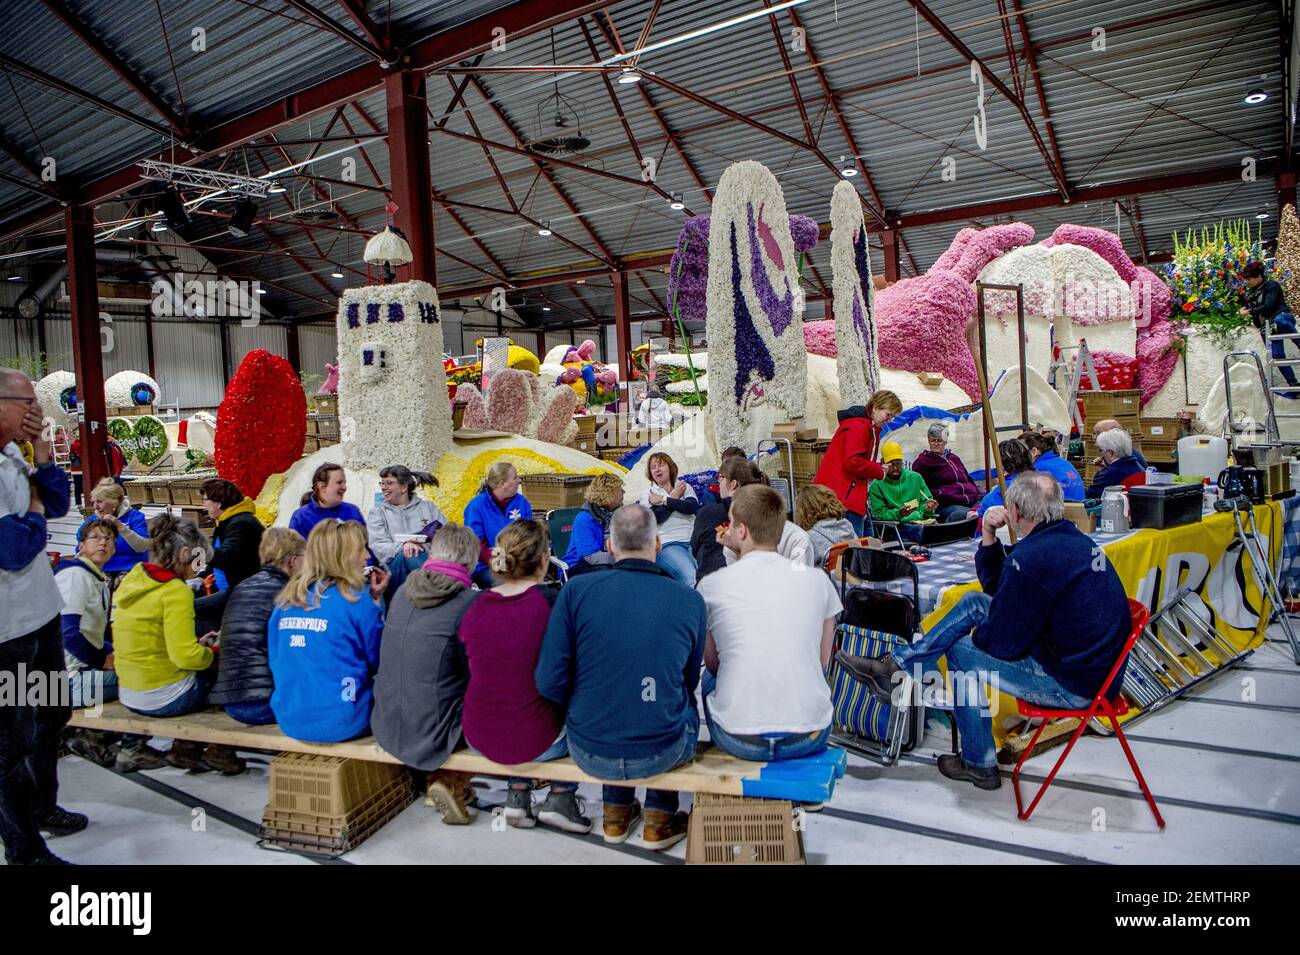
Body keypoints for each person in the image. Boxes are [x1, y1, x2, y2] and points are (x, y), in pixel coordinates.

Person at [835, 473, 1132, 790]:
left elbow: (1002, 644)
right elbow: (1001, 590)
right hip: (1095, 672)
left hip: (1074, 685)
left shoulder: (1033, 558)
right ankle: (897, 666)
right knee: (975, 602)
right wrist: (988, 535)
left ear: (1015, 511)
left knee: (960, 649)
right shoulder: (1069, 541)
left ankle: (978, 763)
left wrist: (974, 637)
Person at [536, 504, 706, 850]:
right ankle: (659, 817)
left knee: (612, 688)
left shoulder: (575, 592)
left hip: (590, 747)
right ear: (658, 545)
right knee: (675, 699)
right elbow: (687, 681)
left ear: (610, 546)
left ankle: (616, 813)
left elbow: (549, 680)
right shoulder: (688, 600)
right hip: (662, 747)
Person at [458, 520, 591, 834]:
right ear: (544, 559)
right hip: (536, 740)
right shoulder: (552, 604)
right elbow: (565, 677)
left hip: (479, 734)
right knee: (573, 696)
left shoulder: (476, 606)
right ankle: (560, 796)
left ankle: (517, 794)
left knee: (513, 686)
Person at [0, 368, 79, 865]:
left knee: (51, 716)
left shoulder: (13, 453)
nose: (37, 411)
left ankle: (43, 805)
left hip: (41, 617)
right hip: (7, 634)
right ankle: (24, 848)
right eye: (26, 401)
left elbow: (56, 502)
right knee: (11, 740)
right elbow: (12, 548)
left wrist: (44, 456)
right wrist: (32, 512)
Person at [697, 485, 837, 762]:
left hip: (739, 738)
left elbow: (712, 661)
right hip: (809, 735)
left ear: (742, 531)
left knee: (709, 678)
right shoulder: (817, 581)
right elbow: (822, 662)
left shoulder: (711, 586)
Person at [112, 513, 245, 775]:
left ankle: (181, 751)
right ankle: (219, 752)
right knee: (227, 680)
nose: (200, 567)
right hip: (162, 696)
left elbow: (157, 639)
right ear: (185, 553)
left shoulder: (135, 578)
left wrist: (197, 644)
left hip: (129, 690)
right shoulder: (176, 592)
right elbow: (186, 658)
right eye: (199, 560)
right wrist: (212, 653)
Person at [372, 524, 480, 825]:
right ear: (469, 562)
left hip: (386, 720)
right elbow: (475, 675)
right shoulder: (468, 604)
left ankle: (444, 782)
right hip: (433, 731)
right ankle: (451, 781)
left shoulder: (403, 591)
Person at [56, 518, 169, 773]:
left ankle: (92, 733)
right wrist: (102, 659)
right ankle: (132, 748)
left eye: (108, 538)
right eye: (95, 537)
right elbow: (68, 633)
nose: (103, 542)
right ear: (81, 545)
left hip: (79, 672)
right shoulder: (75, 577)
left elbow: (91, 634)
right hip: (67, 680)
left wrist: (112, 651)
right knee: (144, 680)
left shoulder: (96, 578)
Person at [268, 519, 388, 743]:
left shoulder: (286, 601)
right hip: (346, 720)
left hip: (291, 716)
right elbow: (380, 661)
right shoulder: (357, 601)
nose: (366, 556)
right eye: (361, 549)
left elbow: (275, 657)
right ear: (343, 555)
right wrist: (376, 605)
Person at [208, 528, 306, 726]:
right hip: (266, 703)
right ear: (293, 561)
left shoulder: (242, 587)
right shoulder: (290, 594)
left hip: (231, 701)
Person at [814, 389, 904, 536]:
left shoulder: (863, 426)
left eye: (893, 417)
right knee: (853, 548)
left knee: (864, 542)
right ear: (876, 407)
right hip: (844, 496)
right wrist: (878, 471)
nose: (890, 421)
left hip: (846, 494)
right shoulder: (859, 426)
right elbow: (853, 462)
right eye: (888, 415)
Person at [194, 478, 265, 634]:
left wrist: (197, 545)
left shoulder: (240, 524)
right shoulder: (226, 521)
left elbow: (227, 558)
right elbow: (217, 556)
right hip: (226, 585)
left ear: (218, 503)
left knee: (192, 610)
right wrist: (201, 575)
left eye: (205, 500)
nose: (202, 505)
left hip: (244, 592)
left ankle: (213, 645)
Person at [367, 465, 447, 590]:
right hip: (393, 569)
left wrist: (421, 547)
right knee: (410, 555)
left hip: (428, 560)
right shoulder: (377, 513)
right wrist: (404, 546)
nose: (383, 487)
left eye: (389, 483)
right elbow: (377, 545)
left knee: (416, 555)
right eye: (382, 483)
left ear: (404, 487)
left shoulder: (428, 507)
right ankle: (439, 589)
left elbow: (446, 536)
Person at [462, 461, 532, 589]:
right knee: (510, 585)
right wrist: (499, 563)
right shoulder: (476, 506)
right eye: (515, 477)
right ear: (502, 484)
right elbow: (476, 544)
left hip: (517, 563)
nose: (519, 480)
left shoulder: (522, 502)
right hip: (486, 565)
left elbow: (530, 536)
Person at [692, 456, 764, 581]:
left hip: (713, 584)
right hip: (752, 581)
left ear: (733, 484)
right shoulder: (763, 512)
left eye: (721, 477)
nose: (718, 483)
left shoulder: (709, 513)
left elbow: (694, 547)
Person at [637, 452, 699, 586]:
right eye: (653, 467)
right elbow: (656, 517)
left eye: (661, 465)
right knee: (692, 578)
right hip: (668, 544)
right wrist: (674, 497)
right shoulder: (647, 494)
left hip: (693, 540)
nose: (657, 469)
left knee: (708, 575)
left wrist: (664, 500)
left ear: (670, 467)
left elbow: (691, 507)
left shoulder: (684, 486)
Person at [1240, 259, 1299, 389]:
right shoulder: (1249, 293)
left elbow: (1269, 306)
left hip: (1281, 317)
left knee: (1280, 321)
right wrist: (1243, 310)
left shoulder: (1272, 285)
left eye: (1249, 279)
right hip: (1266, 326)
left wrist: (1249, 311)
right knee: (1276, 355)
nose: (1247, 282)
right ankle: (1293, 384)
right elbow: (1247, 307)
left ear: (1259, 277)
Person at [78, 478, 149, 577]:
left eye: (100, 502)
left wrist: (121, 528)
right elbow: (80, 547)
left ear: (115, 502)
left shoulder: (135, 517)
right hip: (101, 571)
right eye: (94, 502)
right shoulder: (92, 521)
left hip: (131, 570)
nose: (96, 507)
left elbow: (143, 547)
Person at [911, 423, 981, 521]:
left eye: (939, 440)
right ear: (928, 441)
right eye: (932, 440)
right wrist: (939, 493)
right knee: (963, 514)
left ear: (946, 441)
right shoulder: (923, 462)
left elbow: (967, 478)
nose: (935, 443)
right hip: (946, 505)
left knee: (987, 507)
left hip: (969, 500)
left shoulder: (954, 458)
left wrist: (976, 491)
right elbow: (918, 489)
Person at [561, 472, 624, 572]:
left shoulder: (617, 515)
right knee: (608, 571)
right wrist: (624, 558)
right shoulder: (584, 519)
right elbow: (592, 557)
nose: (623, 492)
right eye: (619, 489)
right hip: (578, 565)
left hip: (606, 561)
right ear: (608, 493)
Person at [288, 462, 366, 541]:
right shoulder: (301, 517)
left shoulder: (352, 511)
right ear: (322, 486)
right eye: (339, 482)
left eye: (344, 483)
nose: (344, 487)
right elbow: (294, 551)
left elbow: (366, 546)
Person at [794, 483, 859, 567]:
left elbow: (798, 571)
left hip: (822, 579)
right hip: (848, 578)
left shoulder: (809, 538)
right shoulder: (847, 526)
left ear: (803, 511)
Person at [975, 439, 1034, 517]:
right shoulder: (1039, 478)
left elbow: (988, 511)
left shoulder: (1006, 486)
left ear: (1003, 463)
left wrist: (976, 513)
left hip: (994, 523)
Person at [1020, 432, 1085, 502]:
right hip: (1079, 508)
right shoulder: (1062, 461)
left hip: (1065, 510)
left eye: (1019, 451)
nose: (1017, 454)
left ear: (1034, 451)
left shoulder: (1039, 468)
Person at [1087, 428, 1145, 497]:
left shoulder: (1108, 474)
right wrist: (1103, 470)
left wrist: (1102, 472)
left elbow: (1090, 495)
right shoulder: (1139, 466)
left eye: (1101, 450)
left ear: (1110, 452)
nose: (1101, 454)